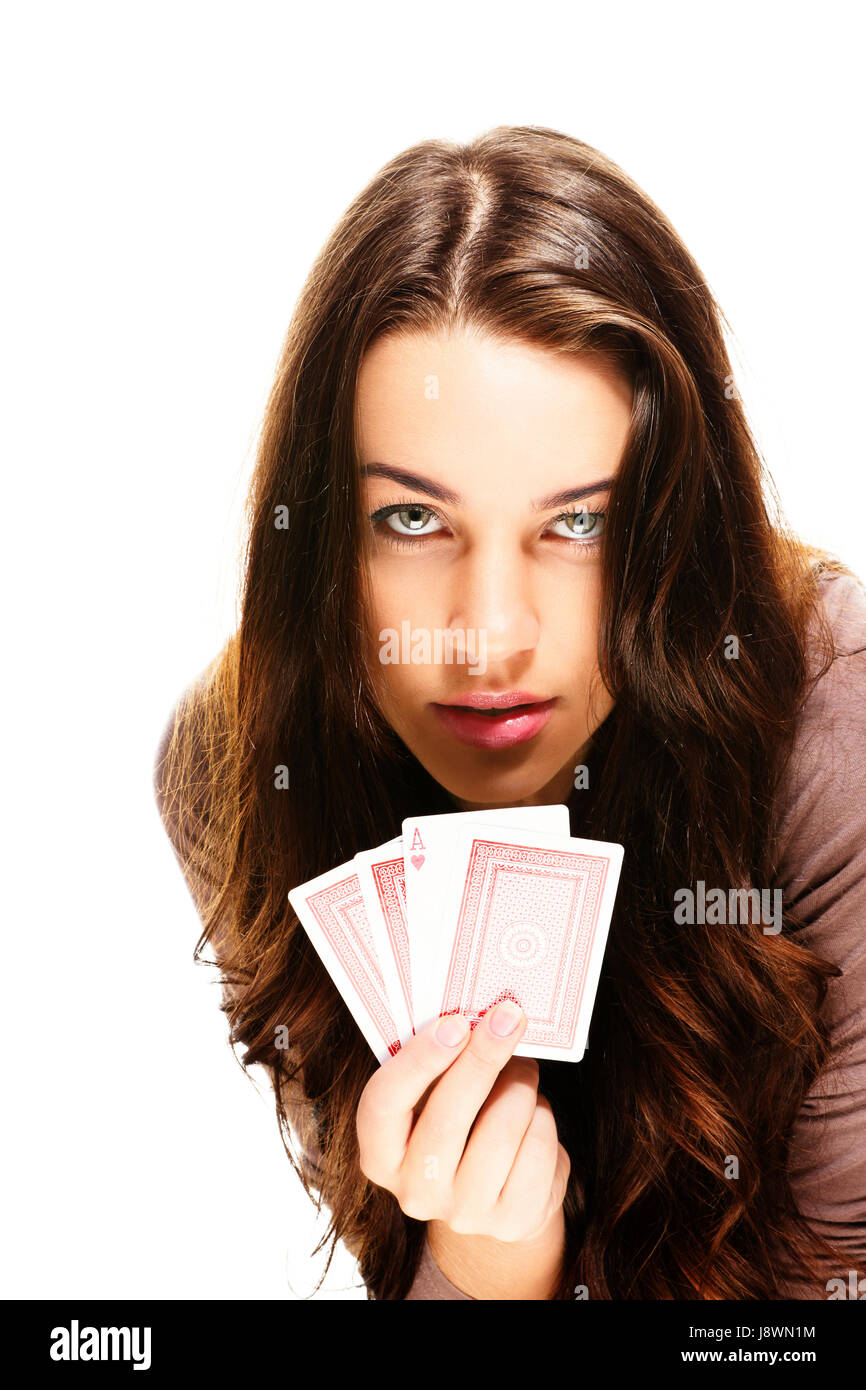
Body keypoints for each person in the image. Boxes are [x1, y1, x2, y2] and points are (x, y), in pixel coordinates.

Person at [153, 125, 866, 1300]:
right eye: (412, 521)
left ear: (671, 532)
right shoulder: (232, 769)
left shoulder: (832, 727)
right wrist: (482, 1270)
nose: (486, 637)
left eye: (578, 523)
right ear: (325, 538)